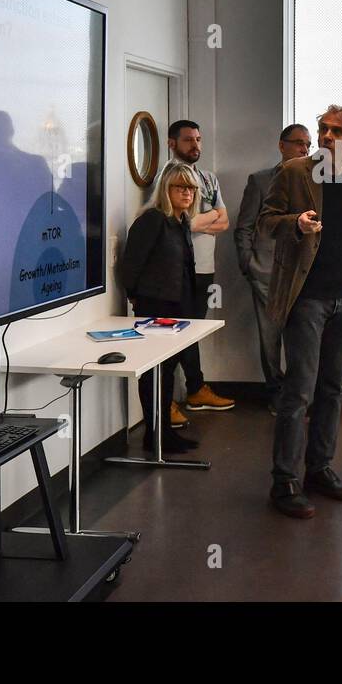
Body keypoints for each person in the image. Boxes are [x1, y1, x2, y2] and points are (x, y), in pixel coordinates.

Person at [259, 104, 342, 518]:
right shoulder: (295, 172)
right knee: (299, 391)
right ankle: (284, 481)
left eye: (336, 131)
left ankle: (320, 468)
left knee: (333, 388)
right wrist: (296, 223)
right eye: (323, 129)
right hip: (305, 297)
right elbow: (265, 221)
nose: (327, 136)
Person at [117, 161, 205, 455]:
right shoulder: (152, 219)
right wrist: (136, 298)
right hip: (155, 306)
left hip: (179, 306)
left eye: (191, 187)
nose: (187, 192)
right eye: (181, 186)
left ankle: (164, 432)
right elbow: (131, 266)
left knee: (168, 371)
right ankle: (155, 433)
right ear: (166, 189)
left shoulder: (181, 222)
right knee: (156, 372)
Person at [234, 123, 312, 414]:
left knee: (302, 338)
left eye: (308, 144)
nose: (304, 149)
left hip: (303, 273)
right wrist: (249, 265)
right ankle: (275, 393)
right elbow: (244, 228)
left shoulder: (314, 181)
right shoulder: (260, 180)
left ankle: (299, 394)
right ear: (282, 146)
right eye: (298, 143)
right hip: (266, 271)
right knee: (270, 340)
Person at [165, 119, 234, 421]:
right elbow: (180, 224)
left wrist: (198, 221)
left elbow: (225, 221)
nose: (195, 145)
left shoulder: (208, 178)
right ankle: (169, 398)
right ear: (172, 144)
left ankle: (195, 390)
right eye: (188, 140)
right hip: (177, 269)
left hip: (205, 266)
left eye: (198, 139)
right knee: (177, 334)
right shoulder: (168, 177)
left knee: (191, 332)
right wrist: (207, 220)